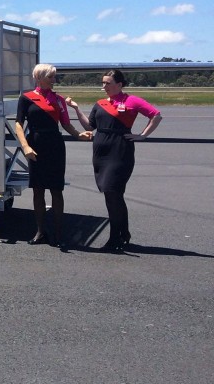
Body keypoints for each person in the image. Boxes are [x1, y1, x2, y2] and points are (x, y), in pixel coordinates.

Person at [68, 69, 162, 250]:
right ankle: (123, 232)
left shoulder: (132, 100)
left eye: (108, 83)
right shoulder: (100, 103)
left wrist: (143, 135)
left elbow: (156, 115)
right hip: (101, 152)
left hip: (120, 151)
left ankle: (115, 237)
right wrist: (76, 108)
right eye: (103, 83)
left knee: (113, 191)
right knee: (112, 195)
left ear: (119, 84)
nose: (104, 86)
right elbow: (90, 125)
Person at [14, 63, 91, 246]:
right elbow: (18, 124)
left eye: (55, 77)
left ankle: (58, 233)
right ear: (39, 77)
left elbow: (65, 123)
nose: (54, 80)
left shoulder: (58, 99)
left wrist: (78, 134)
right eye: (51, 77)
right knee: (38, 189)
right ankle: (40, 232)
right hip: (35, 144)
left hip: (55, 145)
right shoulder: (26, 98)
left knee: (56, 190)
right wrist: (25, 146)